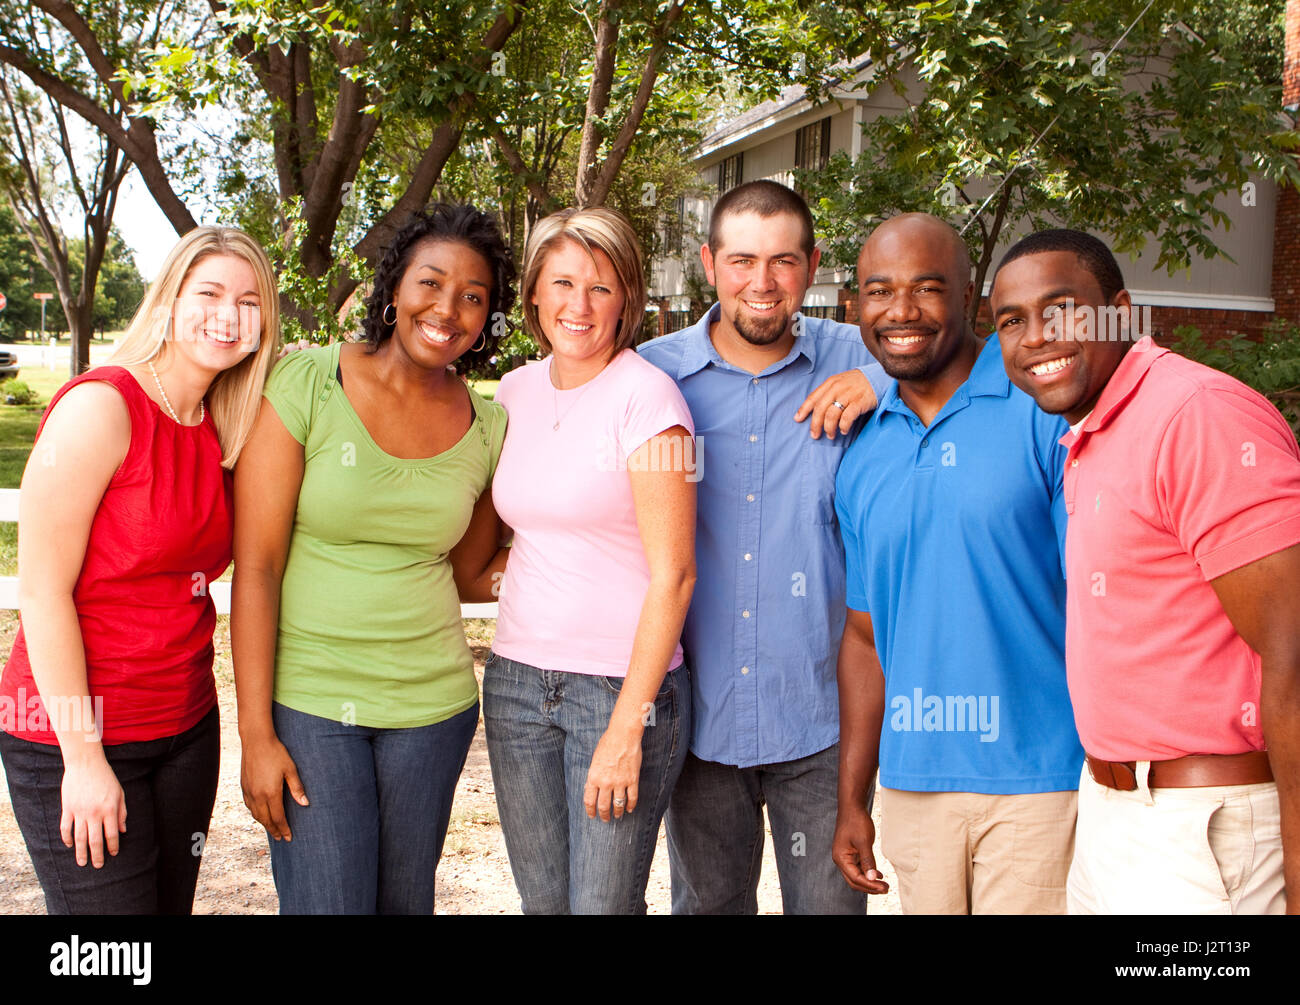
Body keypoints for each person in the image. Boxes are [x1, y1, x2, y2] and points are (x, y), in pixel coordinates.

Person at [989, 228, 1300, 914]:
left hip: (1203, 828)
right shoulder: (1093, 430)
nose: (1036, 336)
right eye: (1012, 321)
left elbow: (1294, 652)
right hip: (1115, 813)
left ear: (1120, 312)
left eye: (1062, 308)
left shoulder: (1197, 415)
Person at [232, 204, 513, 914]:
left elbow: (472, 569)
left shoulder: (488, 426)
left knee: (402, 905)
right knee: (330, 902)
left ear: (486, 319)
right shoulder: (307, 384)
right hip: (311, 701)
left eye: (473, 296)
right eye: (431, 282)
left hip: (433, 706)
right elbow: (256, 568)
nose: (447, 308)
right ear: (395, 288)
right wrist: (256, 732)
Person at [0, 226, 280, 914]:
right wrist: (84, 758)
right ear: (169, 299)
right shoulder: (102, 408)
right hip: (74, 732)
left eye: (249, 301)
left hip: (184, 728)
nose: (228, 314)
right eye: (208, 292)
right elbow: (41, 591)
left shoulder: (225, 425)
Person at [638, 179, 889, 914]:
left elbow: (989, 361)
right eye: (743, 260)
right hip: (700, 719)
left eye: (783, 261)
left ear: (812, 268)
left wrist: (884, 383)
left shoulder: (863, 360)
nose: (763, 282)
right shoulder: (652, 375)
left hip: (822, 718)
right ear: (710, 265)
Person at [832, 213, 1082, 914]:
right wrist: (854, 799)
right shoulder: (861, 452)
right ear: (855, 308)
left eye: (928, 288)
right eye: (879, 291)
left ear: (971, 299)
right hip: (913, 787)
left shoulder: (1043, 409)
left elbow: (1101, 594)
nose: (901, 311)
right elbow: (863, 636)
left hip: (1040, 780)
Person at [481, 206, 696, 915]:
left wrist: (628, 725)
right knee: (545, 905)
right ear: (535, 294)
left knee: (602, 907)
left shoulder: (651, 399)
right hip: (515, 685)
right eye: (563, 283)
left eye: (600, 288)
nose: (579, 305)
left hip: (618, 689)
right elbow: (520, 537)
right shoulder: (512, 392)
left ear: (626, 298)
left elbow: (676, 573)